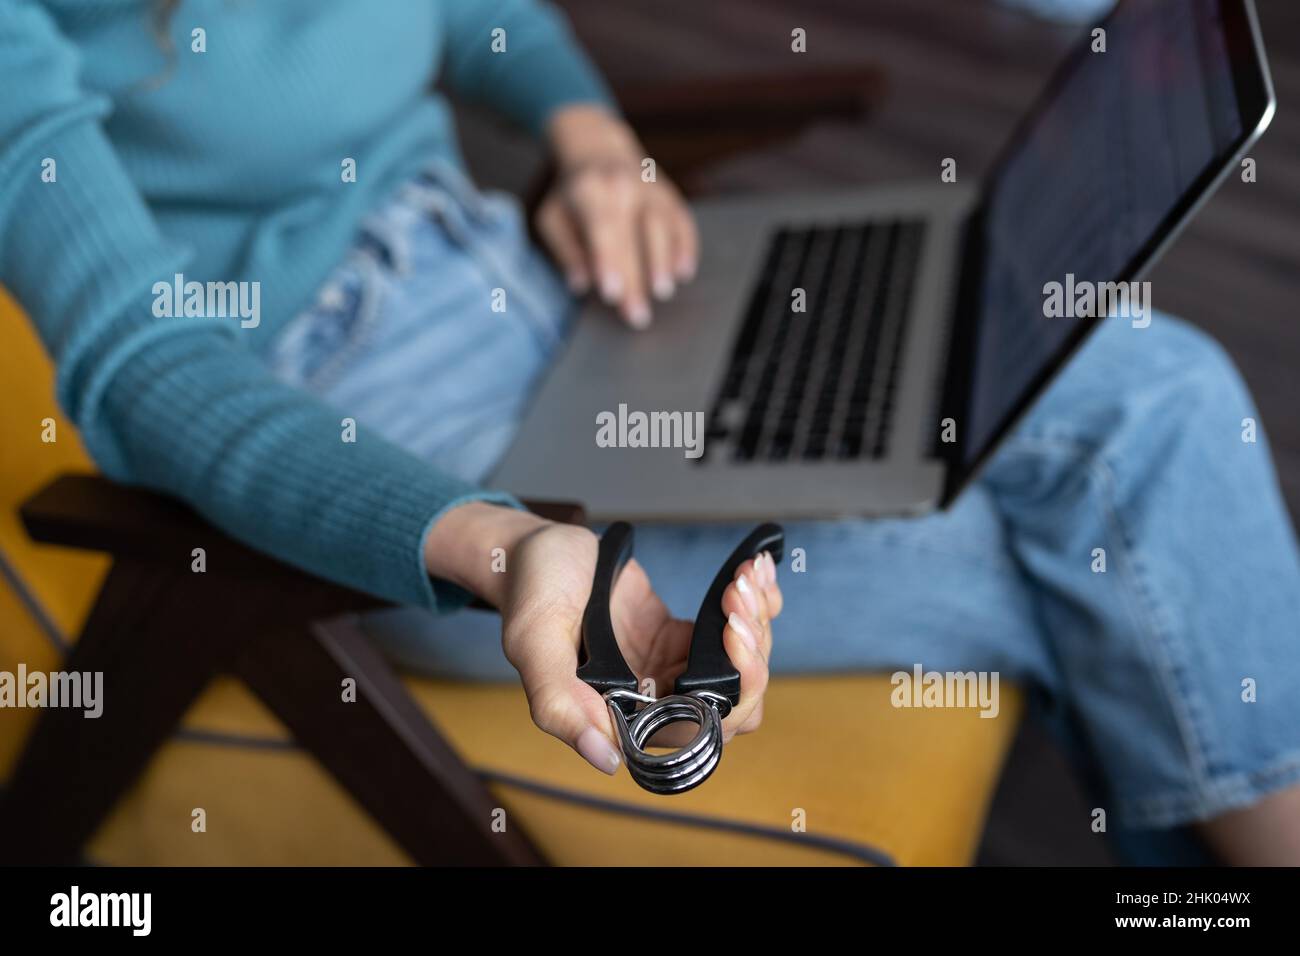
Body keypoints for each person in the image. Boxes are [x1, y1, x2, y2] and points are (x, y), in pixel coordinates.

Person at [2, 0, 1297, 865]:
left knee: (1148, 396)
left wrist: (590, 137)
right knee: (1132, 543)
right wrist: (497, 547)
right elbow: (148, 366)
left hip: (542, 278)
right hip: (379, 447)